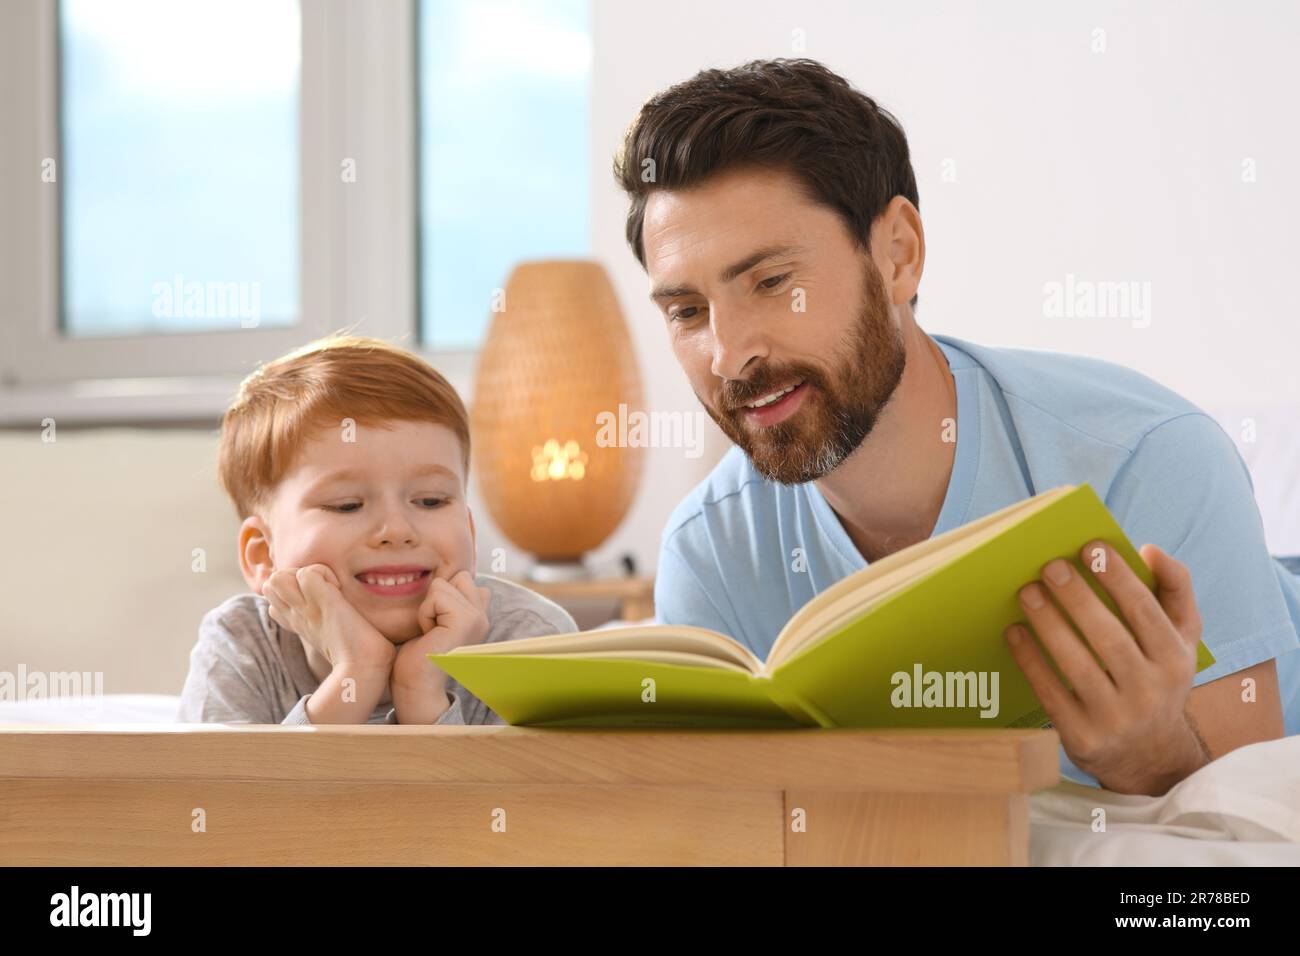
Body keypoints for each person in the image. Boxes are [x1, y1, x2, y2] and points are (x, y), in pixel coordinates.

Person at [614, 57, 1300, 795]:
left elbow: (1234, 873)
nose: (729, 353)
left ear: (898, 255)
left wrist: (1151, 758)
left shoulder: (1147, 460)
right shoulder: (710, 556)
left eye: (774, 282)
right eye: (686, 312)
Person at [178, 334, 575, 725]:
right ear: (263, 555)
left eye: (431, 501)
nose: (397, 530)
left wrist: (420, 690)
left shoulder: (530, 641)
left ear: (469, 531)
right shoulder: (240, 645)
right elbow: (227, 792)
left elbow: (524, 793)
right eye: (347, 505)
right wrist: (356, 673)